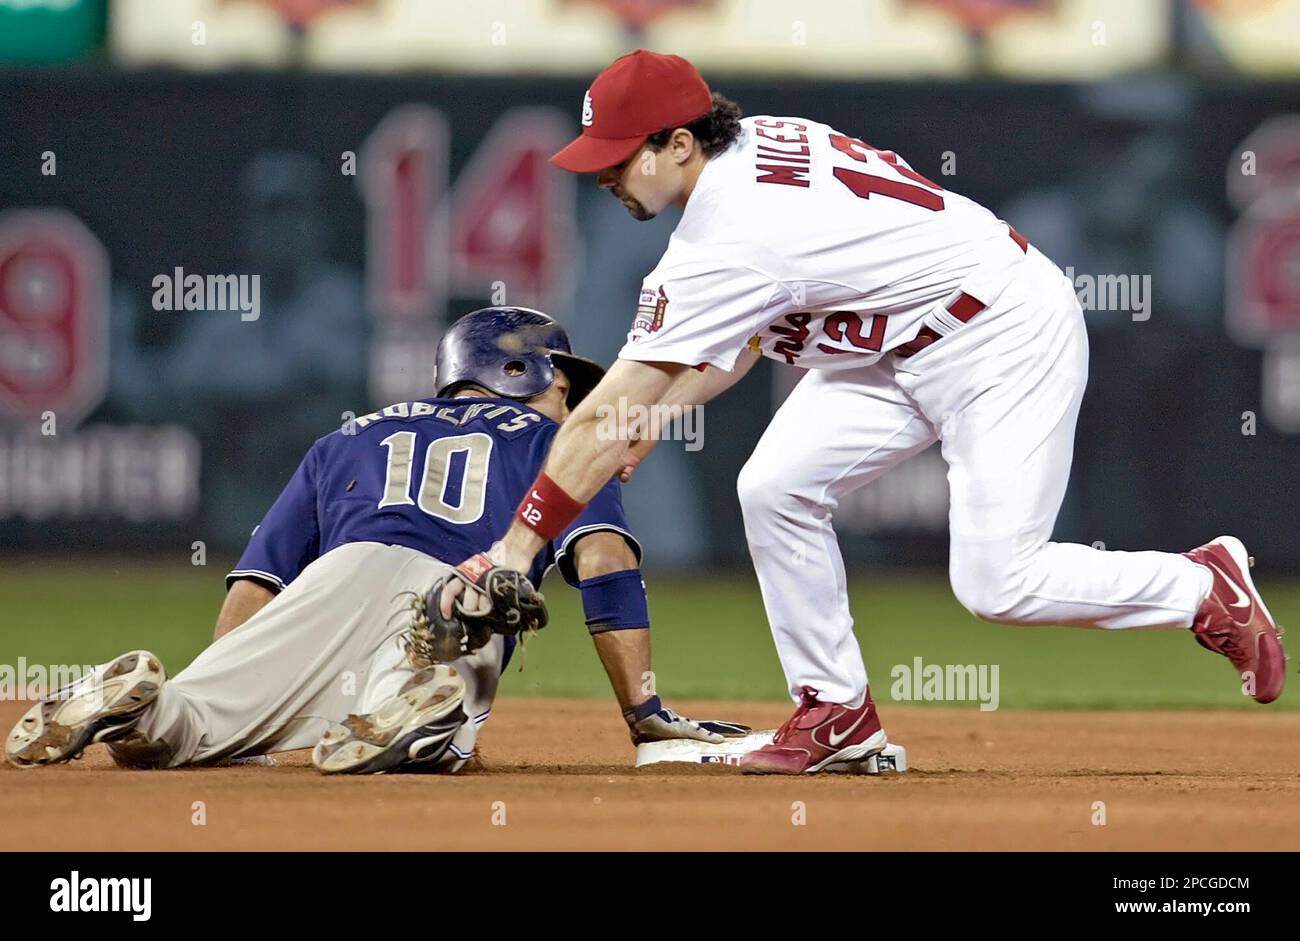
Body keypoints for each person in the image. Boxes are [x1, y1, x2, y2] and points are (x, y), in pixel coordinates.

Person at [441, 50, 1287, 776]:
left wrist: (514, 548)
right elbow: (739, 342)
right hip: (896, 345)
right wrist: (658, 417)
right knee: (773, 487)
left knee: (1001, 581)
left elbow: (599, 417)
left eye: (622, 156)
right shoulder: (750, 153)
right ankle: (837, 712)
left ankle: (1201, 583)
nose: (605, 174)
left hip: (998, 328)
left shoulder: (725, 236)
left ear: (681, 142)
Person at [6, 307, 733, 775]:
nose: (572, 400)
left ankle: (146, 707)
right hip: (454, 594)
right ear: (518, 371)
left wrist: (234, 676)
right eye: (562, 382)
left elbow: (258, 579)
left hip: (335, 577)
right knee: (436, 729)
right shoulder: (562, 442)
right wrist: (643, 712)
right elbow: (606, 558)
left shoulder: (350, 433)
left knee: (189, 730)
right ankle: (413, 703)